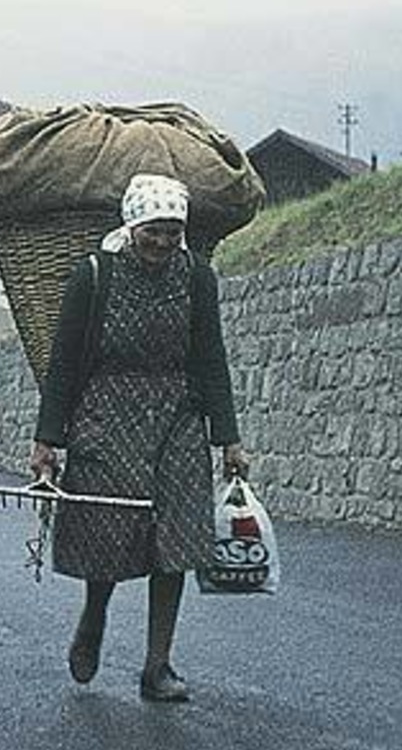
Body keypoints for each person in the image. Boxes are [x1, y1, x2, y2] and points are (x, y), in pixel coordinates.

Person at [29, 173, 249, 703]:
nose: (162, 243)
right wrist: (47, 439)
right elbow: (62, 364)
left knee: (176, 541)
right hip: (106, 415)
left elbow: (211, 359)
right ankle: (94, 615)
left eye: (173, 233)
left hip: (176, 417)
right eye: (153, 231)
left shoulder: (197, 278)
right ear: (131, 226)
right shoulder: (94, 275)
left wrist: (229, 439)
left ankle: (158, 666)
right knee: (109, 533)